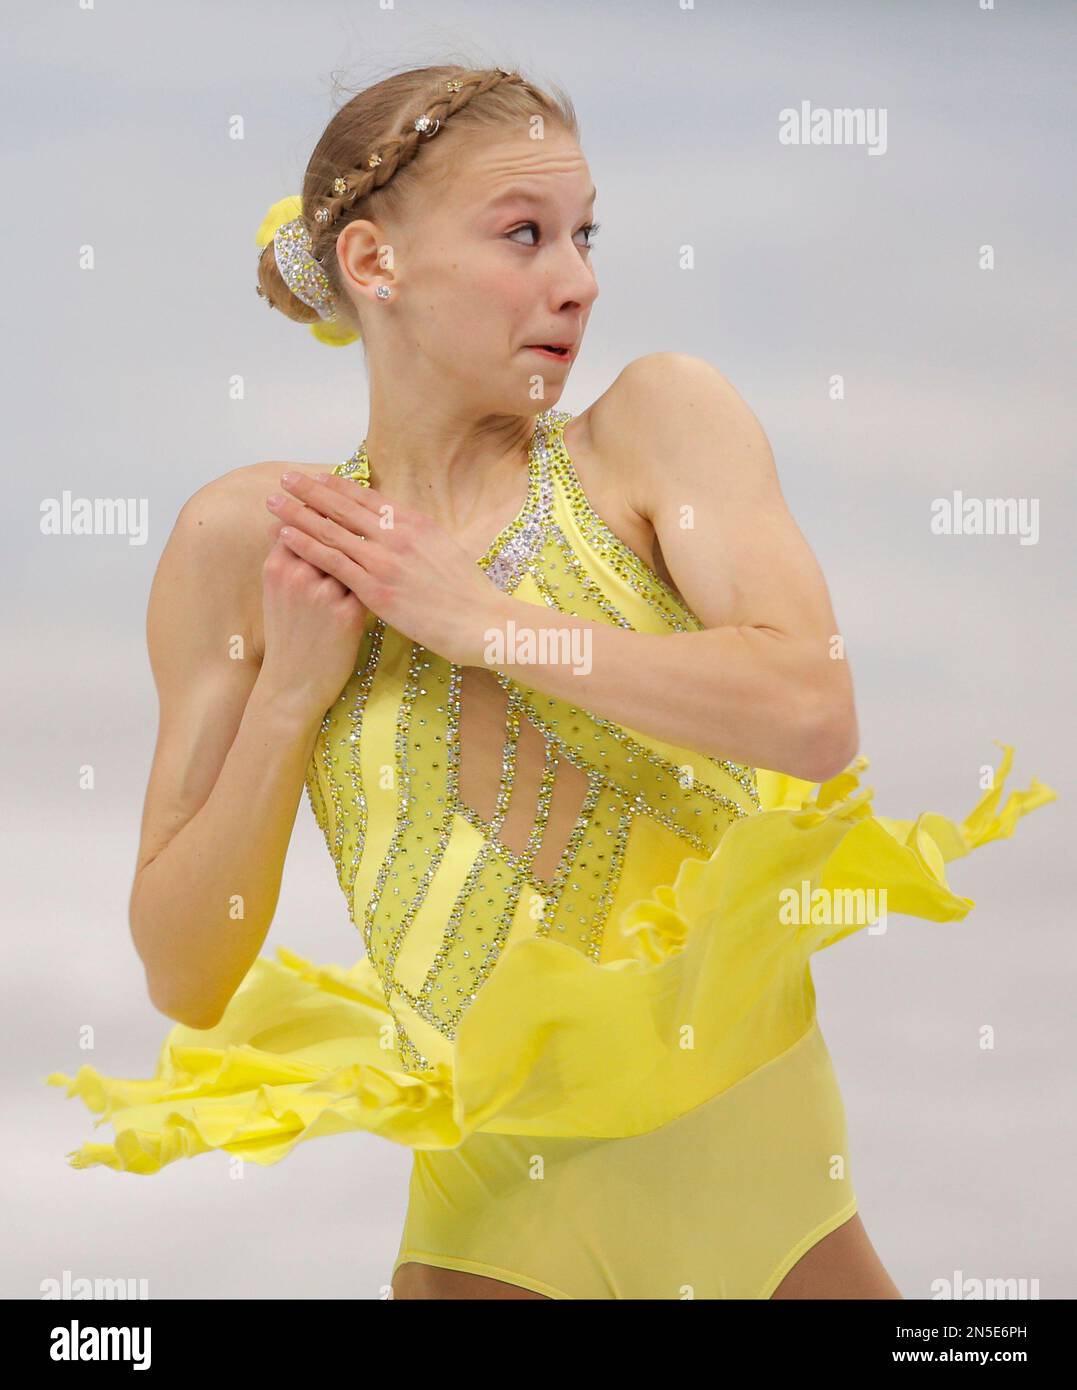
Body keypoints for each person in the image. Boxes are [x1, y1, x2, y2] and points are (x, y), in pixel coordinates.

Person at [46, 64, 1055, 1301]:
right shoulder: (259, 541)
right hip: (491, 1230)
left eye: (585, 235)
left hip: (763, 1180)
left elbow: (812, 712)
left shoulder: (654, 431)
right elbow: (184, 973)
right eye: (523, 233)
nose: (576, 279)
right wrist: (288, 699)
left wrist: (486, 621)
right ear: (374, 263)